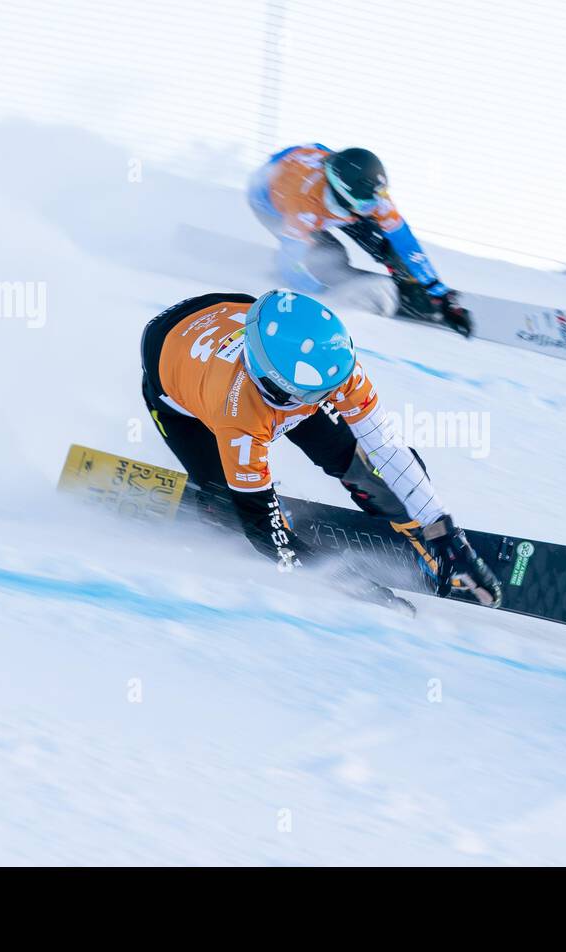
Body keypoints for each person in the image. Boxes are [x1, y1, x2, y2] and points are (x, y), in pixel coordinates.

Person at [139, 288, 502, 611]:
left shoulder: (336, 369)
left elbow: (386, 449)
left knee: (361, 465)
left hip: (232, 315)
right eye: (312, 396)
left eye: (329, 391)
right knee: (230, 507)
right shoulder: (240, 421)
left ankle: (414, 534)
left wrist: (445, 536)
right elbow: (266, 533)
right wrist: (349, 584)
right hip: (171, 379)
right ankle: (221, 500)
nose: (325, 400)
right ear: (275, 387)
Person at [247, 144, 472, 336]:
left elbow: (404, 241)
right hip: (268, 200)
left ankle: (409, 286)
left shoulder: (373, 197)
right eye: (366, 205)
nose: (376, 208)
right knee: (328, 257)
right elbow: (290, 264)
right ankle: (337, 279)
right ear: (341, 194)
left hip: (314, 169)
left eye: (376, 202)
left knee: (380, 239)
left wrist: (436, 290)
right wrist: (320, 296)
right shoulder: (303, 207)